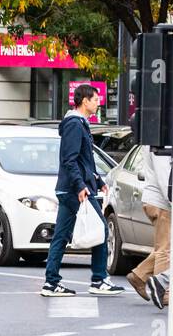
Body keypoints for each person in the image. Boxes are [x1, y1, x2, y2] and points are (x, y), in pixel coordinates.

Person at [42, 84, 120, 296]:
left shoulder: (79, 123)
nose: (98, 103)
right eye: (95, 99)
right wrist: (81, 186)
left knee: (62, 235)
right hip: (74, 189)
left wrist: (97, 179)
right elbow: (70, 159)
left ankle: (52, 282)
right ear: (84, 101)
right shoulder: (75, 124)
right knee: (101, 229)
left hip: (74, 187)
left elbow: (83, 160)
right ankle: (98, 279)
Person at [125, 143, 172, 305]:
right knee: (165, 250)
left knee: (165, 247)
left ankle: (139, 275)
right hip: (162, 201)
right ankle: (164, 292)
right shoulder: (161, 142)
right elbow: (164, 175)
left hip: (155, 199)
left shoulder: (152, 138)